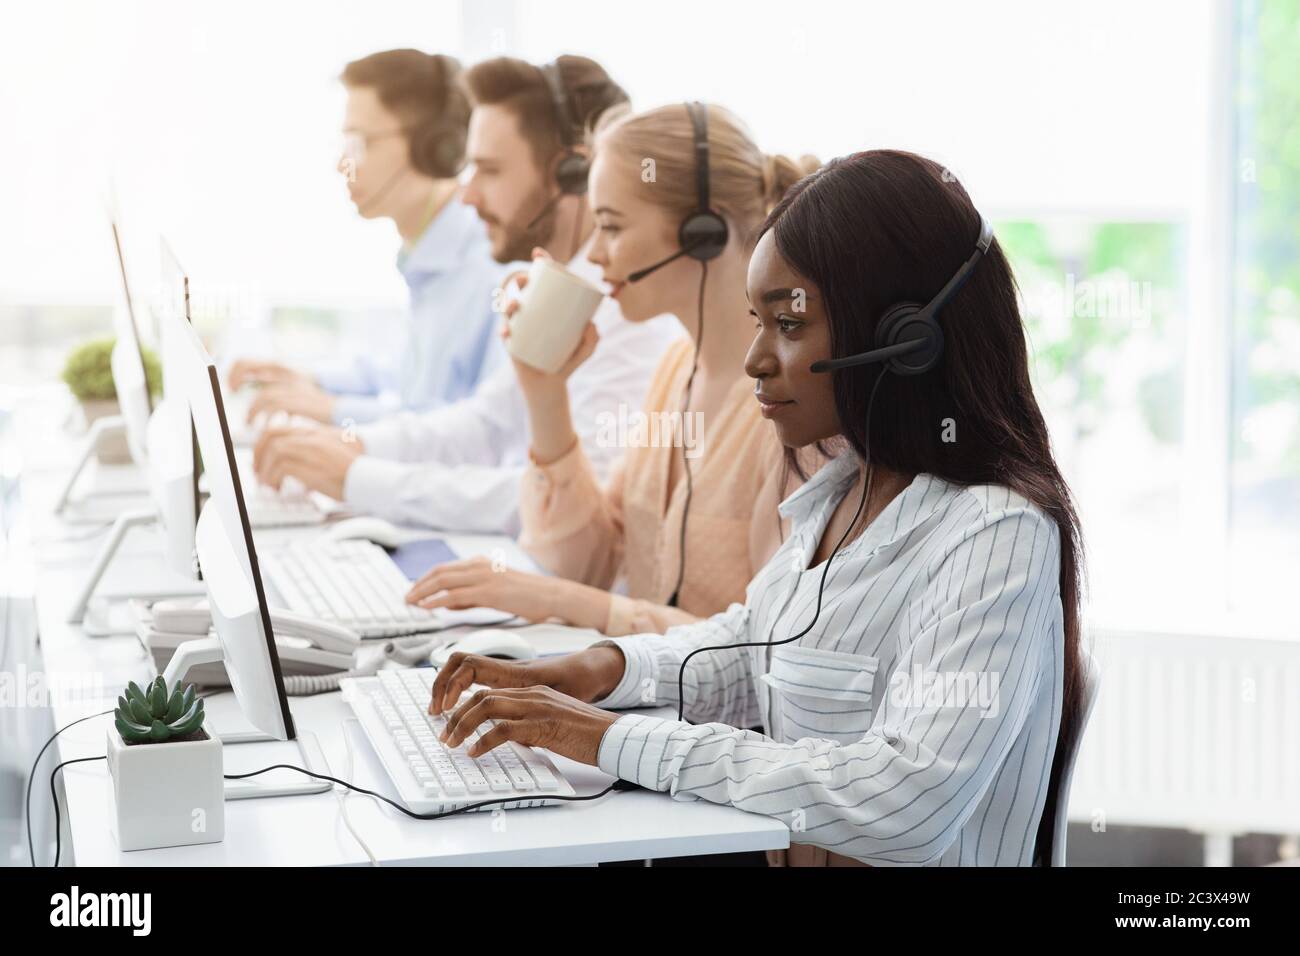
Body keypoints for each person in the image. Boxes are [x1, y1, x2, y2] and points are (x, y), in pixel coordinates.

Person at [421, 150, 1087, 867]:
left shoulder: (993, 533)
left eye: (789, 325)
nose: (756, 360)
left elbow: (903, 801)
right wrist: (599, 669)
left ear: (905, 341)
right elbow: (757, 650)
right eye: (756, 322)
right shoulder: (847, 488)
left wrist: (609, 739)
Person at [404, 103, 820, 636]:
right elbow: (586, 564)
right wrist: (544, 392)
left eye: (612, 226)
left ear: (701, 233)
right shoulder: (675, 372)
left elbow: (759, 645)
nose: (595, 254)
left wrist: (562, 600)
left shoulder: (790, 410)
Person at [252, 55, 682, 533]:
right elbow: (485, 424)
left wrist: (358, 476)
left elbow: (576, 504)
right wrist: (353, 450)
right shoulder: (557, 282)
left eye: (490, 171)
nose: (467, 194)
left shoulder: (623, 308)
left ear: (572, 176)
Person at [229, 50, 506, 425]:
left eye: (358, 143)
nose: (342, 164)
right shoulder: (427, 258)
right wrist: (313, 381)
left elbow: (467, 431)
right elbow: (410, 378)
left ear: (435, 148)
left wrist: (333, 412)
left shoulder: (490, 271)